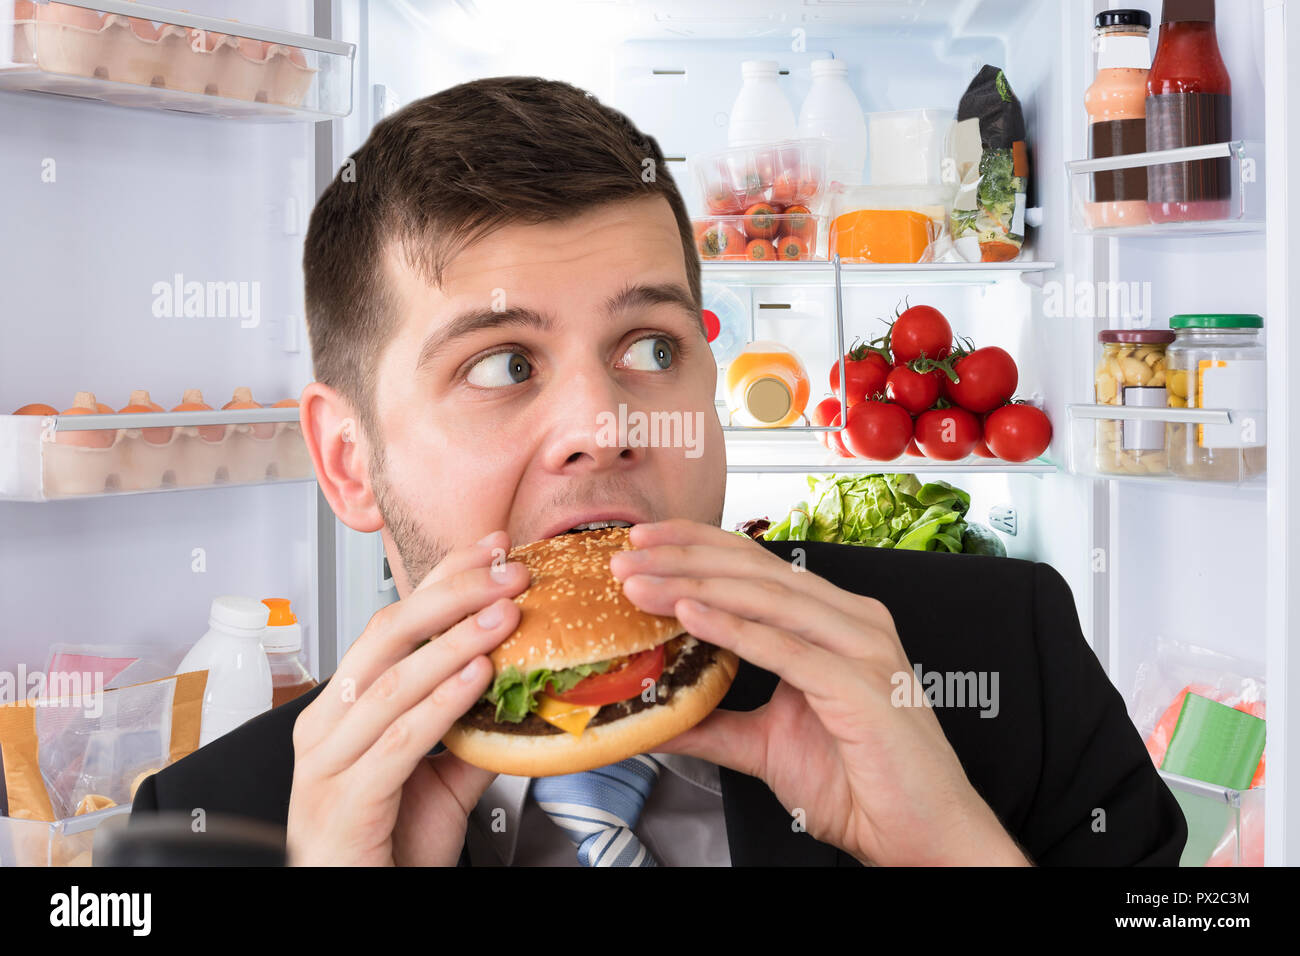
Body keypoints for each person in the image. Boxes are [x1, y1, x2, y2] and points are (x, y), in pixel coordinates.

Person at [131, 76, 1186, 866]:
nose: (605, 426)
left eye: (649, 346)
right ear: (348, 461)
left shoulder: (1006, 657)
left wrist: (956, 849)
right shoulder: (211, 820)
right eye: (502, 365)